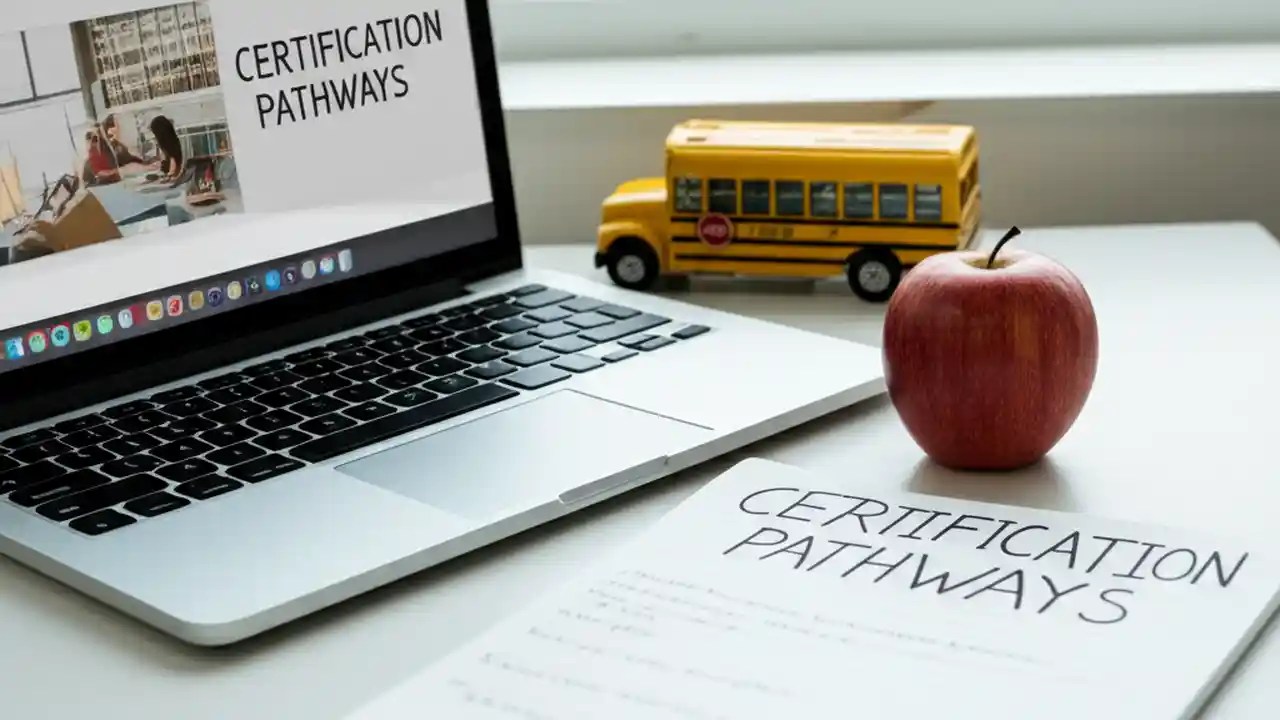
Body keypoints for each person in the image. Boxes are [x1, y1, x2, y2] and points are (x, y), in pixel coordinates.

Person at [149, 115, 185, 183]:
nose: (155, 139)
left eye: (155, 135)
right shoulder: (174, 147)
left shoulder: (171, 155)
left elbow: (172, 176)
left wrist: (162, 179)